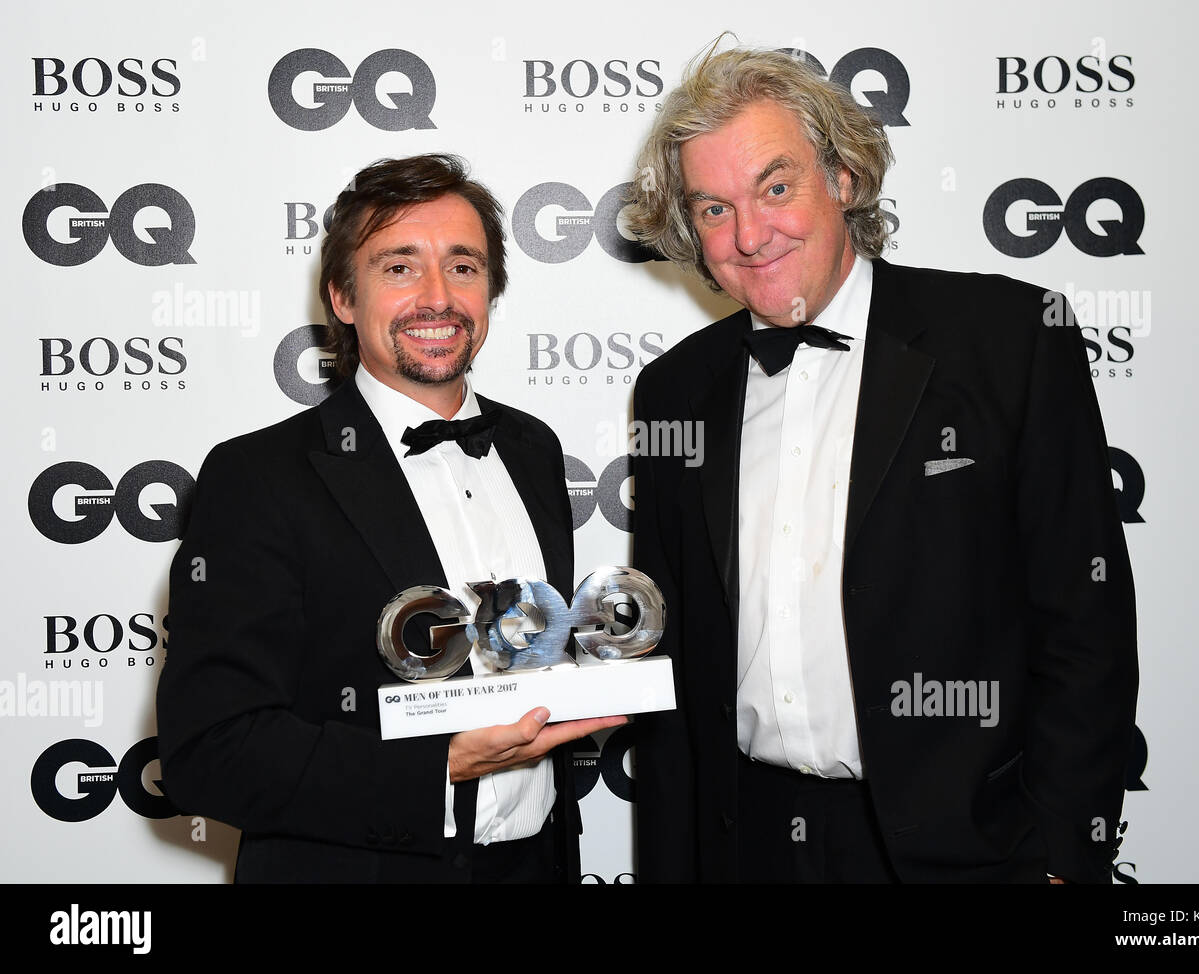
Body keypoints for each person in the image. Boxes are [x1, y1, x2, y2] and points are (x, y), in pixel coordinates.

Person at [625, 45, 1138, 883]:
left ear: (846, 177)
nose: (750, 236)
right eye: (713, 209)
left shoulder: (1008, 339)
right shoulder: (675, 388)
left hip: (969, 850)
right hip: (748, 846)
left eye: (776, 187)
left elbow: (1086, 627)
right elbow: (672, 661)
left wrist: (1061, 861)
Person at [156, 153, 623, 883]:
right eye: (399, 268)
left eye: (463, 267)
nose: (437, 297)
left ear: (493, 290)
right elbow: (208, 750)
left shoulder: (532, 449)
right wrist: (438, 767)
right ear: (342, 296)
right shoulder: (258, 477)